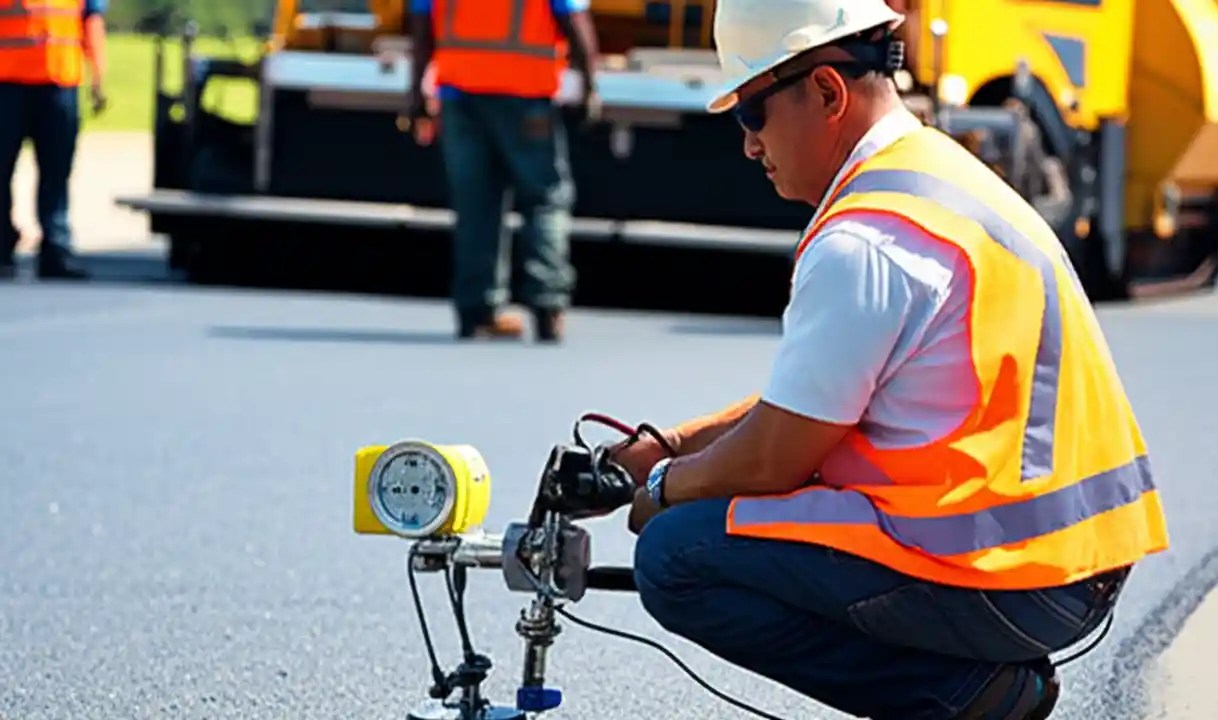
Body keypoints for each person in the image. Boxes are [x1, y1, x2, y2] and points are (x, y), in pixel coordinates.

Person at [608, 1, 1171, 718]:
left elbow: (775, 457)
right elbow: (814, 399)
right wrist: (671, 444)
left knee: (676, 555)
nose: (749, 145)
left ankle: (972, 696)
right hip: (1073, 560)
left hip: (1016, 581)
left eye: (751, 113)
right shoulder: (935, 177)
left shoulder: (864, 241)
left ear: (826, 92)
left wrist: (664, 484)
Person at [407, 0, 600, 342]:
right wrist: (589, 86)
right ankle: (547, 307)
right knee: (544, 200)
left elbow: (422, 30)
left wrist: (415, 93)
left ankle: (475, 311)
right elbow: (573, 19)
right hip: (526, 95)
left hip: (460, 96)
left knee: (476, 204)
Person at [0, 0, 108, 281]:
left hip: (59, 81)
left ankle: (55, 247)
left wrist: (98, 74)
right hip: (7, 81)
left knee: (57, 170)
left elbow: (91, 20)